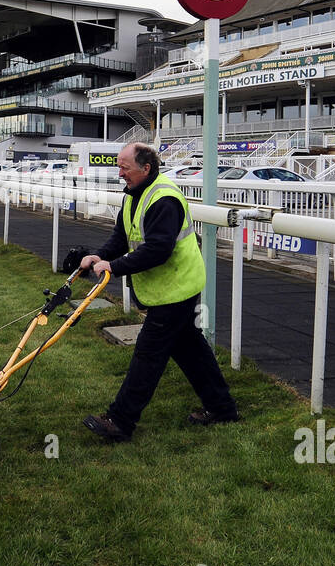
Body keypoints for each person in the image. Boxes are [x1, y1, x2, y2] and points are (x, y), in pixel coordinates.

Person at [79, 142, 239, 442]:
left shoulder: (163, 199)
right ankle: (222, 409)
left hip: (176, 290)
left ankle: (120, 420)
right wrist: (99, 256)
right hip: (170, 288)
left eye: (124, 167)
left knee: (148, 355)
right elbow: (121, 236)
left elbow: (157, 250)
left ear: (146, 168)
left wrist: (112, 267)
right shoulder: (135, 195)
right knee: (192, 353)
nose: (120, 173)